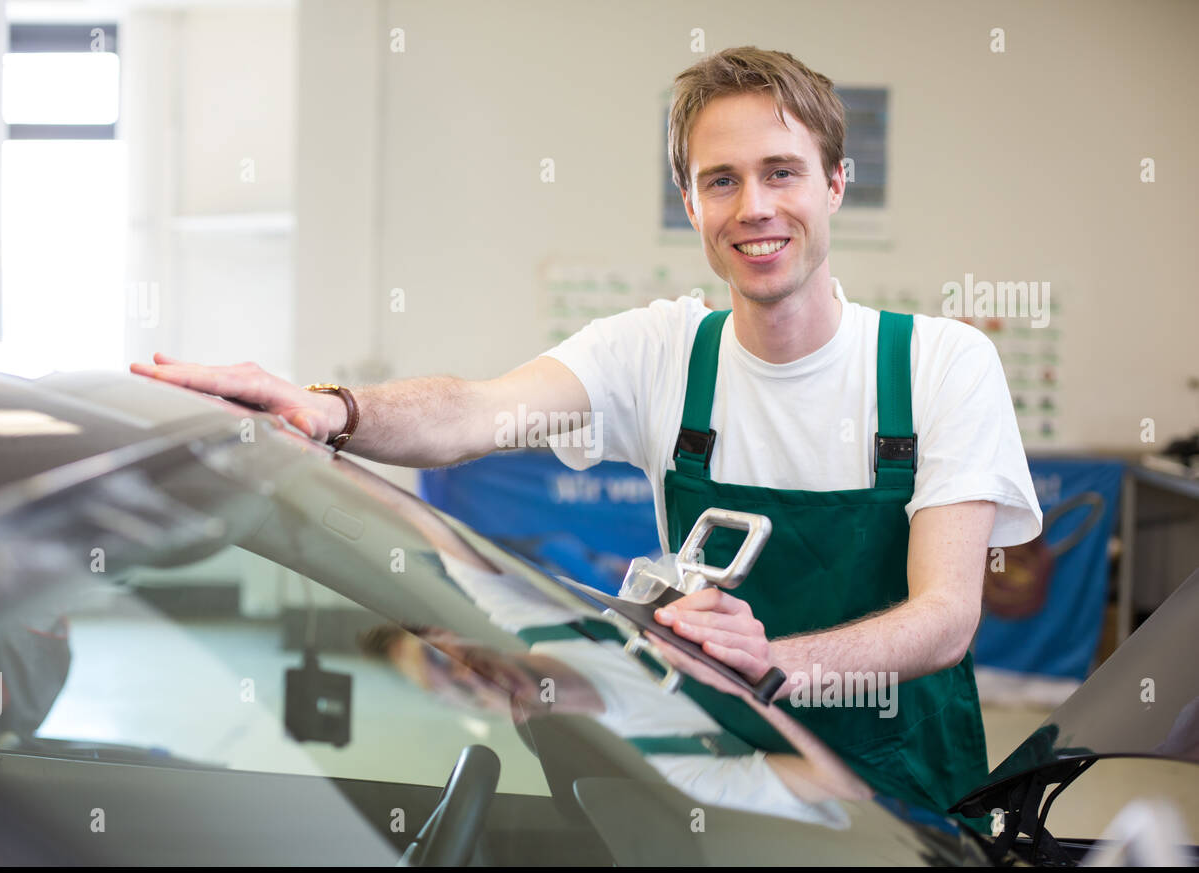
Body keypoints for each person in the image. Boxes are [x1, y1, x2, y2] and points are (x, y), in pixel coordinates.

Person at [131, 46, 1041, 828]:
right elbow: (472, 412)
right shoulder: (661, 352)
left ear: (836, 182)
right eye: (721, 180)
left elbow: (946, 619)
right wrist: (333, 408)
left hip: (905, 799)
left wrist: (775, 667)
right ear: (691, 203)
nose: (754, 207)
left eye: (782, 171)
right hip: (722, 781)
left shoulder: (938, 365)